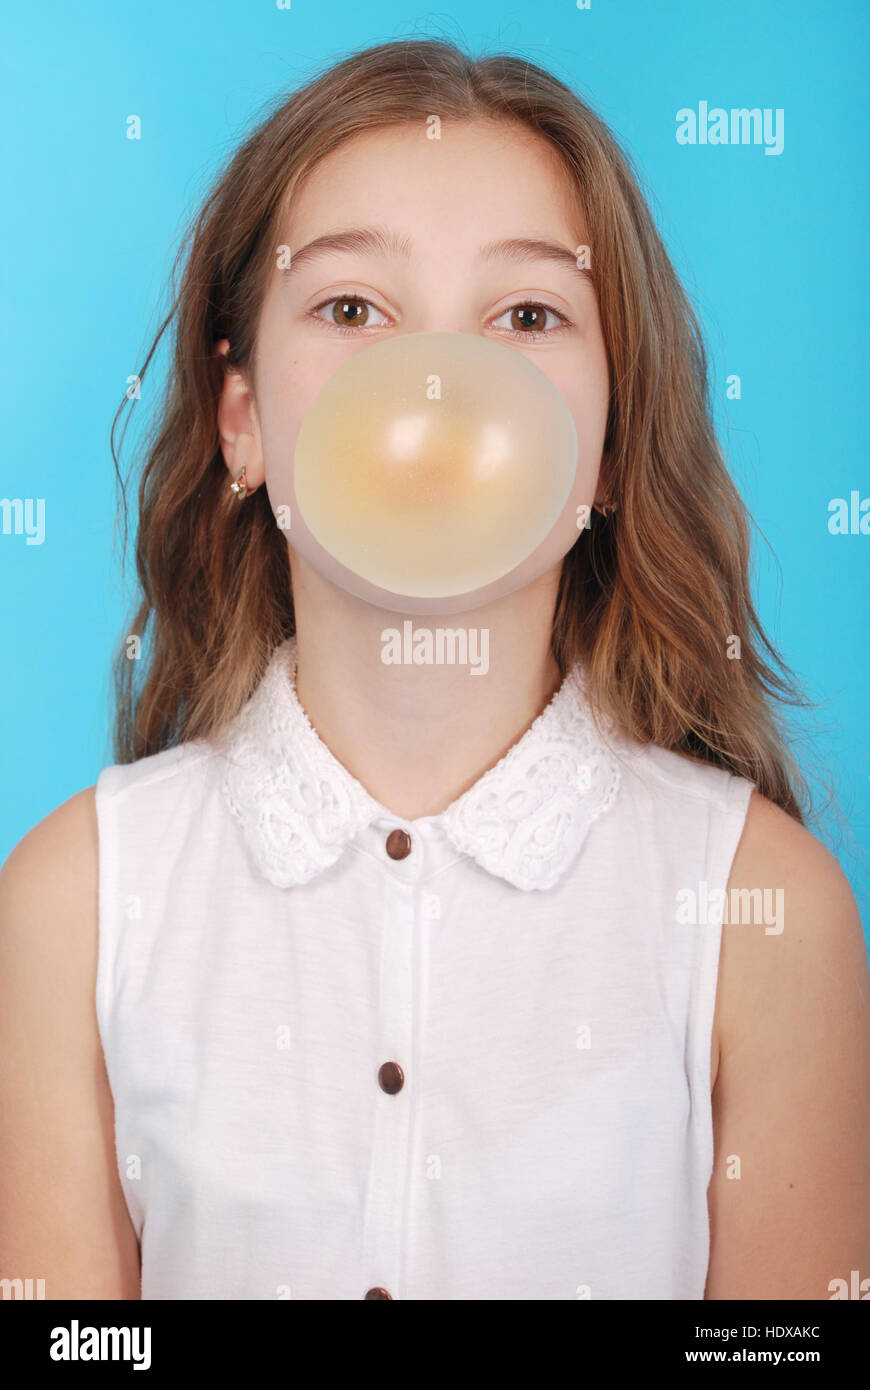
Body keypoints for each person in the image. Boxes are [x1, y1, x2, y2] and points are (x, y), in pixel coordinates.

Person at [1, 38, 868, 1301]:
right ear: (242, 419)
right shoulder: (74, 903)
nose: (439, 382)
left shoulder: (764, 914)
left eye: (528, 315)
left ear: (613, 441)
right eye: (352, 309)